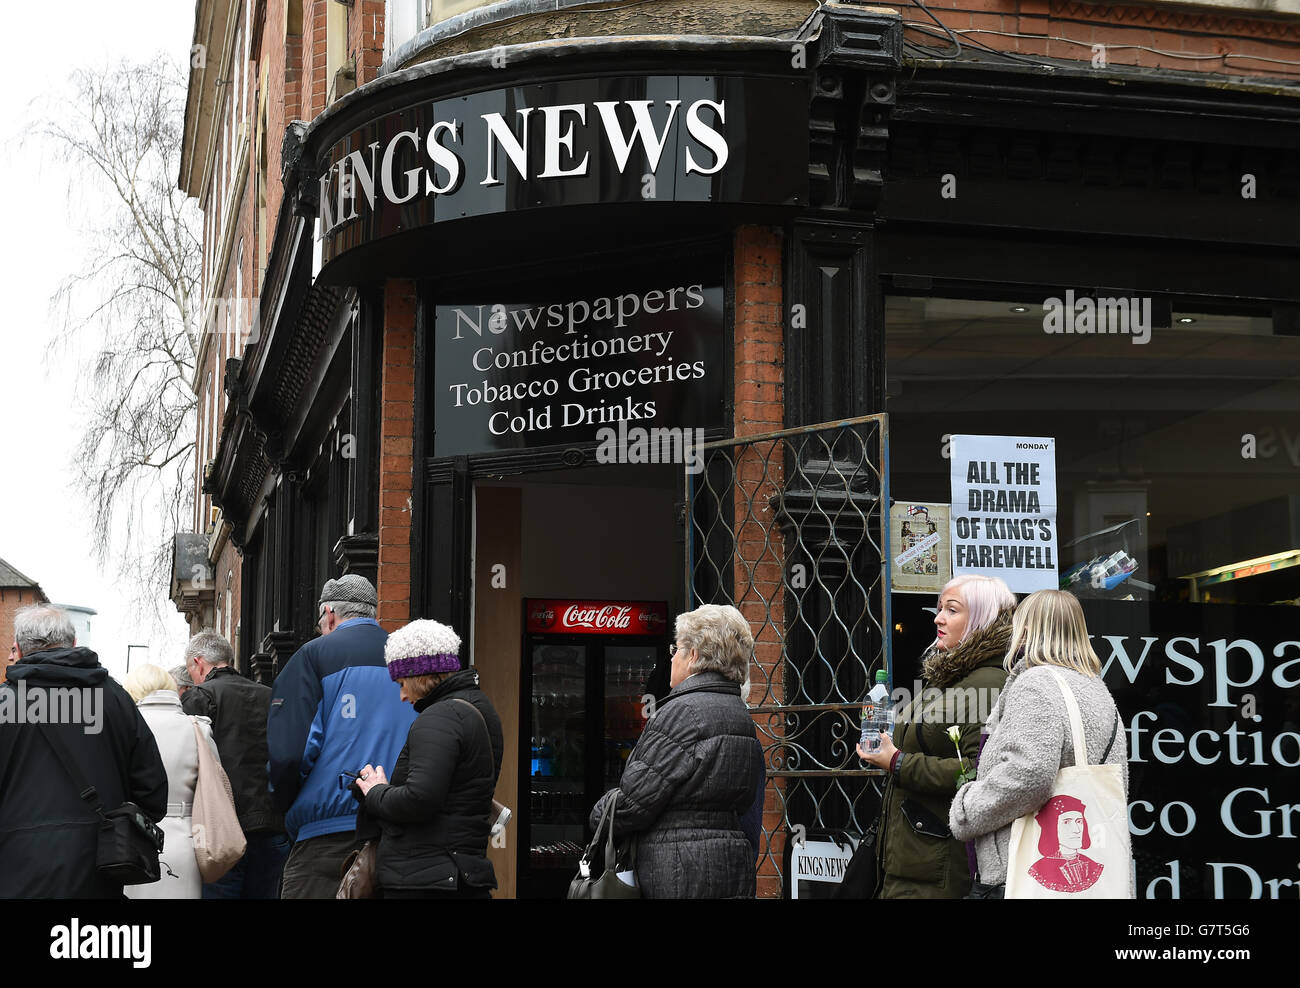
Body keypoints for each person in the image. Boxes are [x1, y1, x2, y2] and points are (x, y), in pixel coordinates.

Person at [949, 589, 1129, 896]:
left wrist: (967, 807)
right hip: (1090, 874)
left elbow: (1029, 775)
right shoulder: (1098, 690)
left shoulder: (1036, 683)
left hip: (1024, 873)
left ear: (1028, 630)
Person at [587, 603, 762, 898]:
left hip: (679, 872)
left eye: (675, 649)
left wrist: (601, 811)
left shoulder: (682, 712)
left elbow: (633, 803)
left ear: (692, 655)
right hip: (731, 869)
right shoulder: (739, 714)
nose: (671, 658)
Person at [856, 574, 1015, 898]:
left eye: (952, 610)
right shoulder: (948, 675)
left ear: (981, 619)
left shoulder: (986, 683)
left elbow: (978, 770)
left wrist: (898, 762)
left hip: (939, 863)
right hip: (910, 856)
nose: (938, 617)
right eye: (941, 608)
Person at [0, 604, 167, 897]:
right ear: (74, 644)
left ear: (18, 649)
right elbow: (152, 794)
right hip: (98, 869)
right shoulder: (115, 700)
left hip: (15, 870)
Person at [268, 574, 415, 898]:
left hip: (325, 842)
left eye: (322, 620)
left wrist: (282, 803)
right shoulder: (409, 664)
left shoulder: (311, 657)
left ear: (330, 614)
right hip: (400, 838)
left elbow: (289, 755)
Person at [354, 619, 504, 898]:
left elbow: (420, 800)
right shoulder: (479, 708)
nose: (401, 695)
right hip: (459, 873)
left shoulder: (441, 716)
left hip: (424, 880)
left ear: (419, 675)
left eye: (401, 683)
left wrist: (375, 791)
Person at [182, 629, 289, 898]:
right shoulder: (271, 696)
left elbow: (188, 761)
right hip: (272, 824)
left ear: (198, 663)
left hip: (221, 829)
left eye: (190, 670)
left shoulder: (201, 697)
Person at [123, 664, 219, 899]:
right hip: (185, 839)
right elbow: (213, 786)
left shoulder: (124, 726)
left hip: (132, 837)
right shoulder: (197, 728)